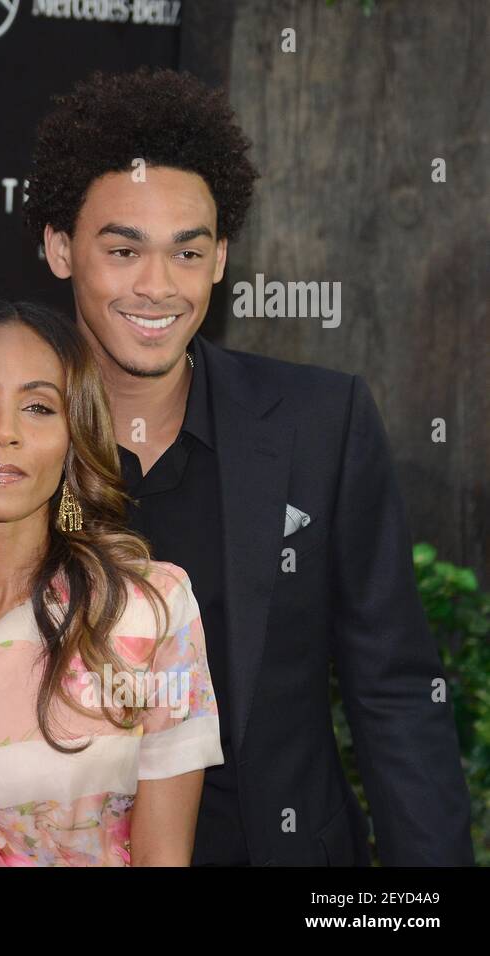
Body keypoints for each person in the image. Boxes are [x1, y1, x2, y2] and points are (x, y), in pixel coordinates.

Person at [26, 66, 473, 865]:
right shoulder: (2, 439)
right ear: (61, 249)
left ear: (223, 257)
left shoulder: (320, 423)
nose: (157, 286)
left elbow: (394, 691)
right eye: (123, 249)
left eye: (187, 251)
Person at [0, 299, 223, 865]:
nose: (4, 432)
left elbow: (164, 857)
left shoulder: (150, 609)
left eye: (38, 407)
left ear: (74, 435)